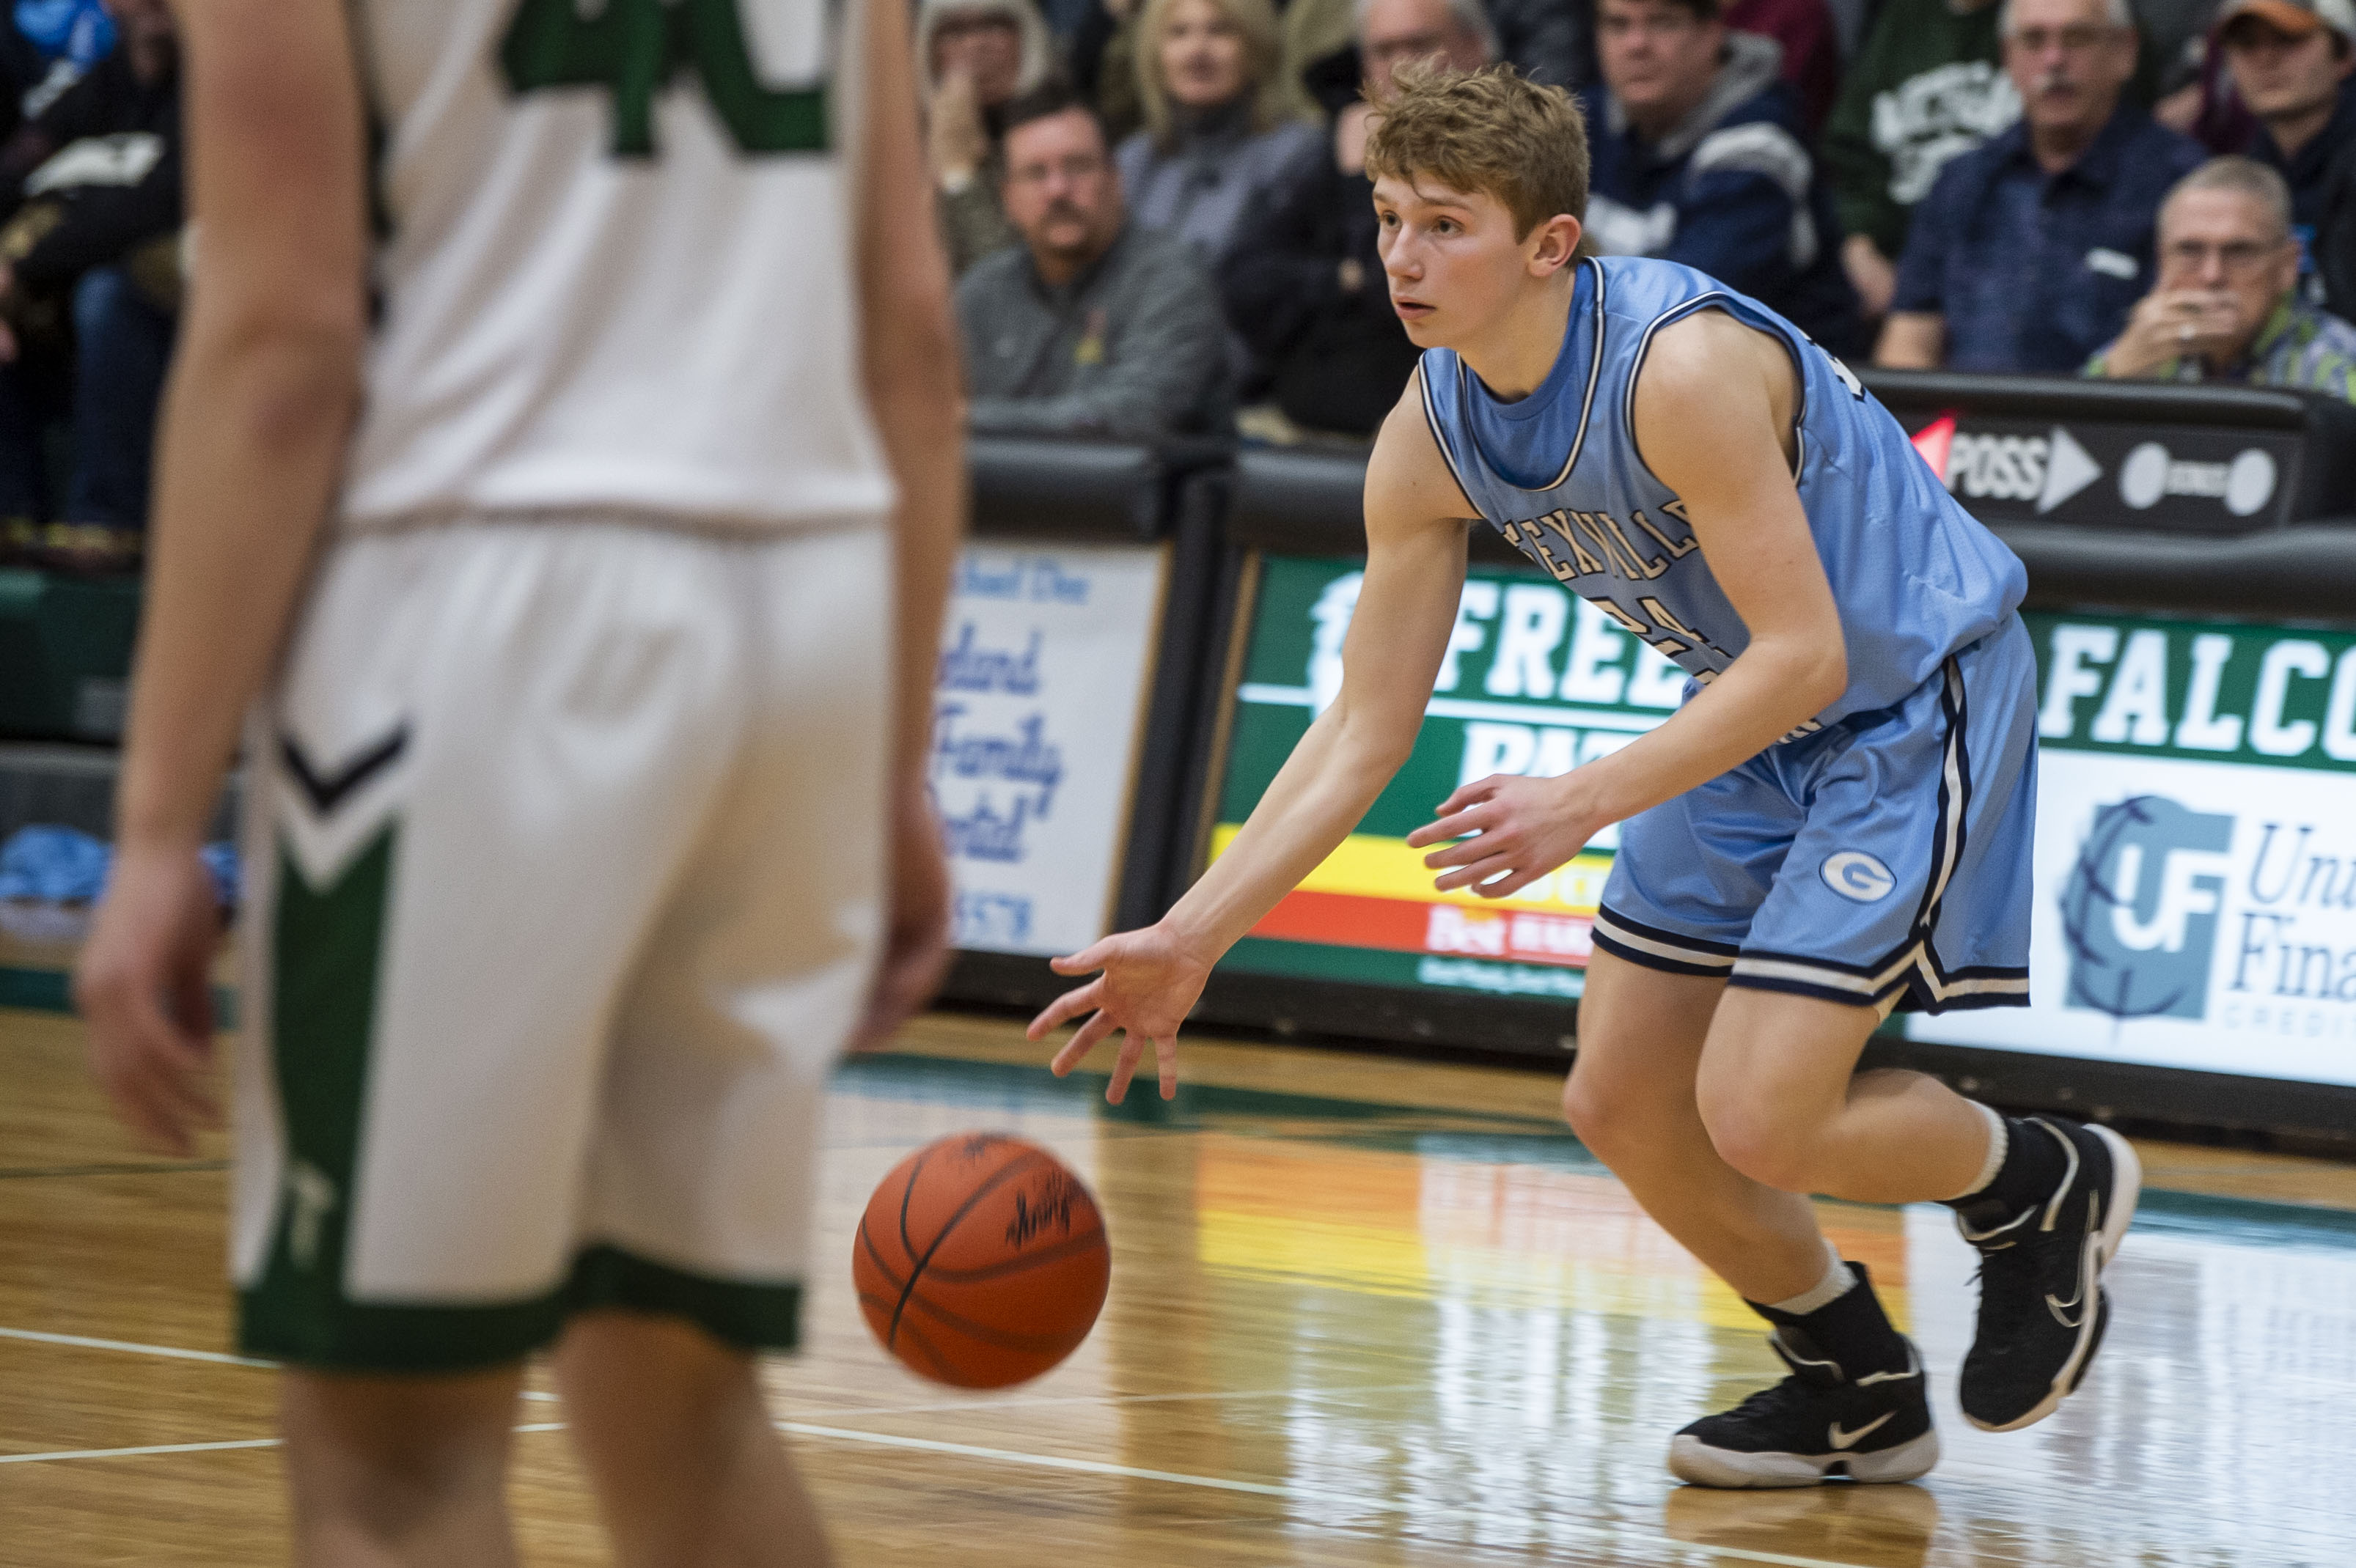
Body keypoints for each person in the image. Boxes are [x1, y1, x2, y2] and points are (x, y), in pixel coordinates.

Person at [1029, 62, 2140, 1488]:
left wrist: (1581, 796)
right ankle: (1852, 1378)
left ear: (1549, 243)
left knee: (1762, 1112)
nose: (1401, 258)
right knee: (1617, 1101)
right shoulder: (1427, 427)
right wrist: (1193, 935)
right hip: (1744, 715)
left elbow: (1806, 654)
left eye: (1445, 225)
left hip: (1907, 701)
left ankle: (2037, 1179)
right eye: (1386, 218)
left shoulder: (1674, 368)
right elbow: (1362, 725)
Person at [73, 0, 963, 1564]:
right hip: (801, 598)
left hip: (480, 597)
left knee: (390, 1458)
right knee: (681, 1402)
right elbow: (909, 336)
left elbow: (282, 340)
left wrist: (154, 826)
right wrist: (892, 762)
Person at [1879, 0, 2205, 370]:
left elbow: (2191, 348)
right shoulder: (1960, 182)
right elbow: (1906, 344)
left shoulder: (2186, 186)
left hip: (2126, 404)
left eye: (2077, 38)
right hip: (1960, 409)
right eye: (2034, 40)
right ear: (2008, 56)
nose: (2054, 60)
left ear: (2125, 52)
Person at [1223, 0, 1491, 436]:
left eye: (1421, 45)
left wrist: (1359, 180)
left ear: (1474, 47)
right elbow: (1242, 279)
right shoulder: (1340, 138)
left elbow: (1397, 294)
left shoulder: (1499, 158)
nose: (1402, 68)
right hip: (1300, 421)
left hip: (1435, 430)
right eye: (1383, 52)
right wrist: (1340, 279)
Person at [0, 0, 180, 573]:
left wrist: (23, 261)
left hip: (169, 330)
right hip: (73, 335)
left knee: (108, 295)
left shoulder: (214, 87)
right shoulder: (98, 86)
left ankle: (110, 521)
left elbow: (163, 200)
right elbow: (13, 173)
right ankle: (12, 515)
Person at [1585, 0, 1864, 353]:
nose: (1636, 45)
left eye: (1662, 23)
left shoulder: (1760, 146)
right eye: (1617, 25)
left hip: (1779, 380)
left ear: (1711, 34)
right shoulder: (1581, 120)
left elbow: (1678, 311)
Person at [961, 84, 1234, 436]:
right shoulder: (983, 290)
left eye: (1077, 167)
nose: (1058, 190)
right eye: (1035, 173)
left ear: (1116, 180)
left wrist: (959, 421)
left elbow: (1133, 416)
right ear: (1008, 199)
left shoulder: (1172, 279)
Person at [2087, 155, 2356, 392]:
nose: (2212, 275)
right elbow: (2063, 427)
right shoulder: (2144, 346)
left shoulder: (2336, 365)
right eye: (2190, 251)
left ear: (2287, 265)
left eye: (2240, 252)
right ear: (2162, 262)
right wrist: (2112, 380)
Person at [1821, 0, 2018, 323]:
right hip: (1897, 264)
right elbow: (1850, 157)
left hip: (2000, 265)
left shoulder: (2041, 22)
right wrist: (1860, 244)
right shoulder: (1902, 17)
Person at [1118, 0, 1324, 268]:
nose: (1197, 50)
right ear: (1155, 55)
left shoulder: (1300, 153)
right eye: (1179, 32)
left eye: (1219, 31)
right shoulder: (1132, 162)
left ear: (1256, 48)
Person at [919, 0, 1056, 273]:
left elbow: (1007, 285)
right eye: (955, 31)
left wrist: (959, 176)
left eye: (995, 24)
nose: (976, 44)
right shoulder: (901, 149)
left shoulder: (1065, 137)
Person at [2214, 0, 2356, 246]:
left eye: (2289, 39)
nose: (2266, 58)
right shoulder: (2236, 177)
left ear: (2343, 55)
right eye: (2247, 43)